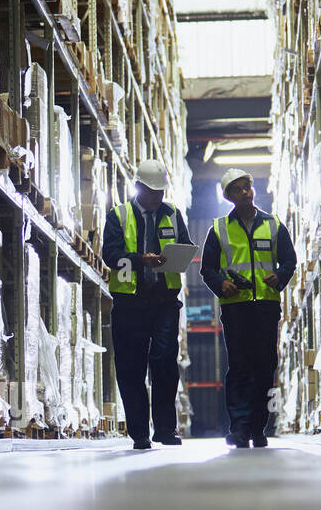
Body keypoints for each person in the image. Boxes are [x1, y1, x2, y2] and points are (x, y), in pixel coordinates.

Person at [200, 168, 297, 448]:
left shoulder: (274, 224)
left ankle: (259, 428)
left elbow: (289, 261)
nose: (244, 192)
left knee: (265, 366)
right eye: (237, 189)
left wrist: (280, 277)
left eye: (247, 187)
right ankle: (240, 428)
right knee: (240, 367)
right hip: (236, 308)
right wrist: (221, 285)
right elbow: (207, 269)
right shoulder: (219, 229)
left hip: (266, 306)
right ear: (228, 196)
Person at [101, 159, 192, 450]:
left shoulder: (173, 215)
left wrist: (176, 257)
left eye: (161, 192)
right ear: (138, 187)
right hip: (130, 302)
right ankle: (139, 432)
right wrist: (142, 260)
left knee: (165, 362)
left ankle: (165, 428)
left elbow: (185, 246)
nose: (157, 197)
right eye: (152, 191)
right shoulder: (118, 215)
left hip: (165, 301)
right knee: (131, 367)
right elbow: (111, 255)